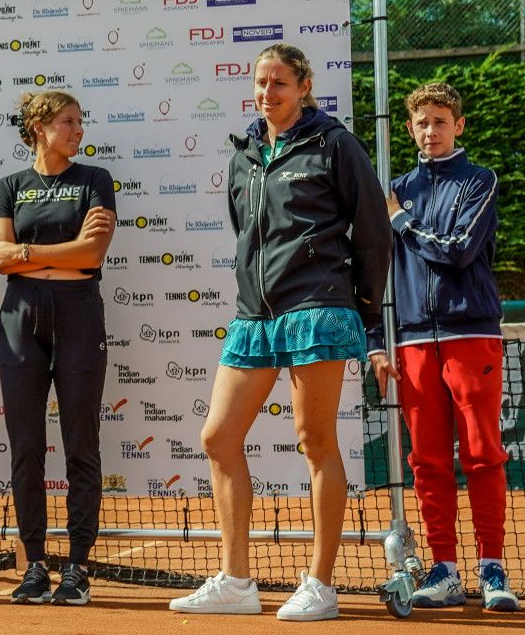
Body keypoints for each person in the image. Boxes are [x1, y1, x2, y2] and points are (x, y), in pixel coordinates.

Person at [169, 43, 388, 622]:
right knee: (218, 437)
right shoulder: (243, 154)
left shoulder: (334, 144)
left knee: (316, 442)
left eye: (280, 83)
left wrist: (367, 317)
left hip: (318, 305)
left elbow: (372, 235)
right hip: (254, 314)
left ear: (305, 86)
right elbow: (246, 231)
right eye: (261, 83)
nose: (268, 93)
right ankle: (237, 582)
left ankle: (320, 584)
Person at [366, 83, 517, 613]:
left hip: (470, 333)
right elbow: (373, 273)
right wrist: (373, 343)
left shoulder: (480, 180)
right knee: (427, 462)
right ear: (409, 128)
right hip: (409, 342)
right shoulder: (396, 187)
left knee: (481, 455)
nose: (431, 131)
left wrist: (401, 220)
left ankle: (493, 569)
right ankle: (445, 570)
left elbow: (457, 252)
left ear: (459, 126)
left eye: (440, 121)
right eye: (422, 123)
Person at [0, 91, 115, 606]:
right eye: (68, 121)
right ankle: (34, 563)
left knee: (81, 444)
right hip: (20, 319)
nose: (78, 130)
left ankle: (79, 567)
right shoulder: (8, 186)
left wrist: (26, 251)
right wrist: (31, 256)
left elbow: (93, 251)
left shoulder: (95, 180)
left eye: (80, 121)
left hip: (80, 312)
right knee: (26, 448)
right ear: (39, 127)